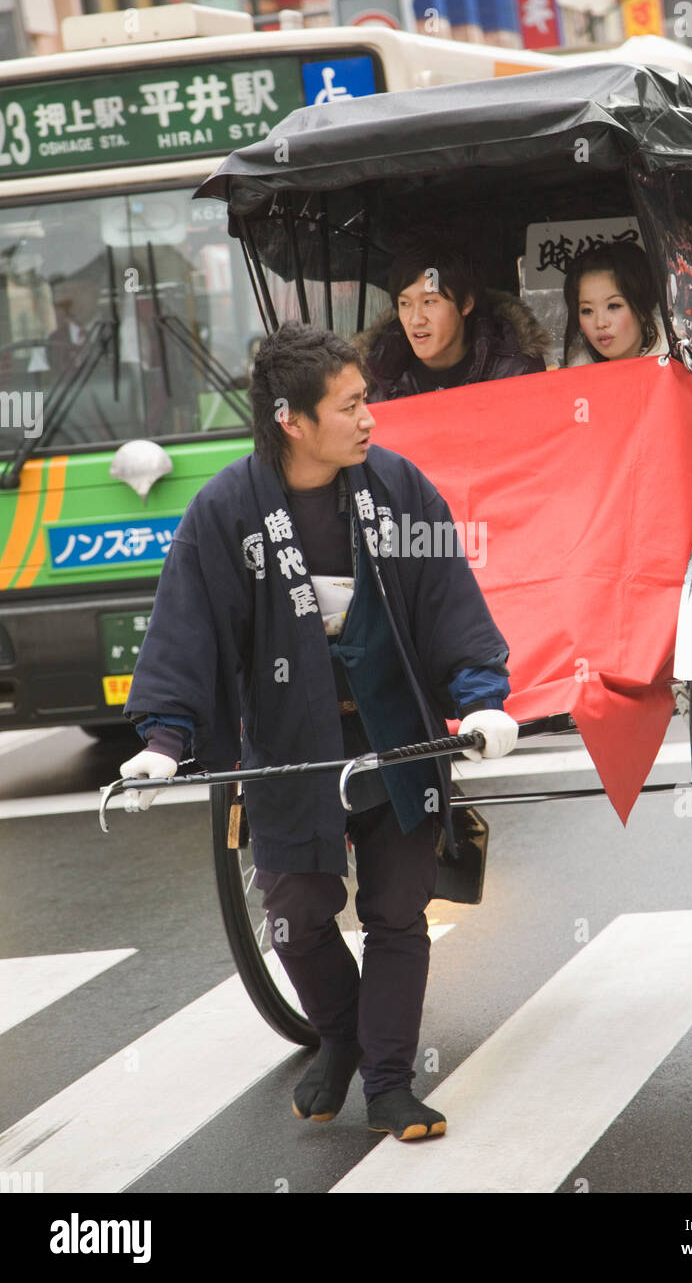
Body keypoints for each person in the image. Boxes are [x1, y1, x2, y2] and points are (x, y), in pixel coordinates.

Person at [119, 321, 519, 1142]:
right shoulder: (226, 511)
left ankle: (391, 1082)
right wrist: (163, 742)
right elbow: (186, 631)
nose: (368, 418)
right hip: (291, 745)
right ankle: (339, 1034)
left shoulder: (400, 489)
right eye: (349, 405)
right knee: (297, 917)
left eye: (366, 398)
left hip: (395, 735)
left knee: (397, 912)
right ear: (292, 421)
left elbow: (450, 601)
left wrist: (480, 699)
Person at [356, 235, 550, 399]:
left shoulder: (515, 370)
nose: (415, 319)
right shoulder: (371, 376)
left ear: (465, 303)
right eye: (405, 304)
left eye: (429, 302)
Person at [562, 241, 663, 366]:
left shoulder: (680, 378)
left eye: (614, 306)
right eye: (587, 310)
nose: (600, 323)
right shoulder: (574, 382)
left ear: (643, 308)